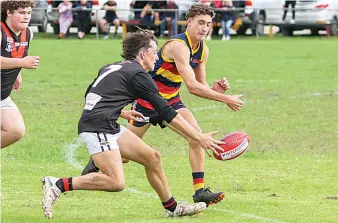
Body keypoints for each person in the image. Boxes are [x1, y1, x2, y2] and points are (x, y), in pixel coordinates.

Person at [42, 29, 226, 219]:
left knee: (152, 157)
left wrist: (120, 112)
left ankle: (173, 208)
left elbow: (92, 93)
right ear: (143, 53)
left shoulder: (113, 66)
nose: (157, 57)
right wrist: (199, 137)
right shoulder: (139, 75)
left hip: (106, 122)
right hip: (97, 127)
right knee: (116, 183)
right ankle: (57, 184)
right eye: (154, 52)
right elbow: (167, 112)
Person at [82, 3, 244, 207]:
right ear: (190, 22)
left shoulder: (203, 49)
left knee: (196, 138)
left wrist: (216, 90)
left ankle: (200, 191)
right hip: (148, 101)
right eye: (201, 23)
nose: (204, 28)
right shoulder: (178, 46)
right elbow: (193, 87)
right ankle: (96, 161)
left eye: (209, 24)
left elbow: (200, 84)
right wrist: (227, 99)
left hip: (172, 101)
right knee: (125, 156)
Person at [1, 0, 40, 149]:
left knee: (15, 130)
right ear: (9, 13)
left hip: (2, 95)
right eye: (21, 13)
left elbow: (18, 53)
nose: (26, 17)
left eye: (29, 13)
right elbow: (20, 60)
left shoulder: (28, 33)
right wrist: (21, 63)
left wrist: (18, 73)